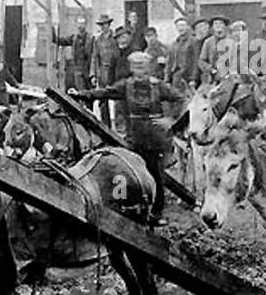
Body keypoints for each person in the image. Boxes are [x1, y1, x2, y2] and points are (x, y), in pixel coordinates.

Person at [72, 51, 185, 225]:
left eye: (142, 66)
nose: (139, 70)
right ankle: (125, 205)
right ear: (132, 68)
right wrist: (80, 94)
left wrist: (170, 119)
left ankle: (156, 213)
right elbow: (104, 92)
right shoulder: (126, 86)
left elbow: (180, 98)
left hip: (154, 137)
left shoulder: (158, 86)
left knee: (155, 173)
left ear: (148, 67)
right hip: (135, 136)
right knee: (125, 170)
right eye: (136, 66)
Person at [91, 13, 119, 127]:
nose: (103, 27)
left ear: (109, 25)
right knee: (103, 100)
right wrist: (93, 75)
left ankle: (119, 126)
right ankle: (105, 126)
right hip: (102, 72)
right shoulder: (98, 40)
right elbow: (94, 57)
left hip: (114, 72)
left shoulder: (115, 39)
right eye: (101, 25)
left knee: (117, 99)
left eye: (105, 24)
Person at [54, 14, 92, 93]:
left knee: (89, 94)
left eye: (82, 23)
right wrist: (52, 32)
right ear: (76, 24)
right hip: (78, 70)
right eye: (79, 23)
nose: (80, 26)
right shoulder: (74, 38)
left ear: (85, 25)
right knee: (80, 93)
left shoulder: (91, 38)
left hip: (88, 71)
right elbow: (61, 41)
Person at [165, 16, 200, 92]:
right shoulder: (174, 44)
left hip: (188, 77)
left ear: (188, 27)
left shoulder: (194, 41)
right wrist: (167, 79)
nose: (180, 28)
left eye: (183, 25)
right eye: (178, 26)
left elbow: (196, 60)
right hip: (176, 77)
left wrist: (193, 78)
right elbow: (169, 62)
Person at [198, 14, 236, 83]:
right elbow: (201, 61)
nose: (218, 25)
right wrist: (210, 69)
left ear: (225, 26)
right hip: (212, 77)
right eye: (215, 24)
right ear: (212, 27)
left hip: (229, 76)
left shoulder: (232, 41)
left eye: (221, 23)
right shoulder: (208, 42)